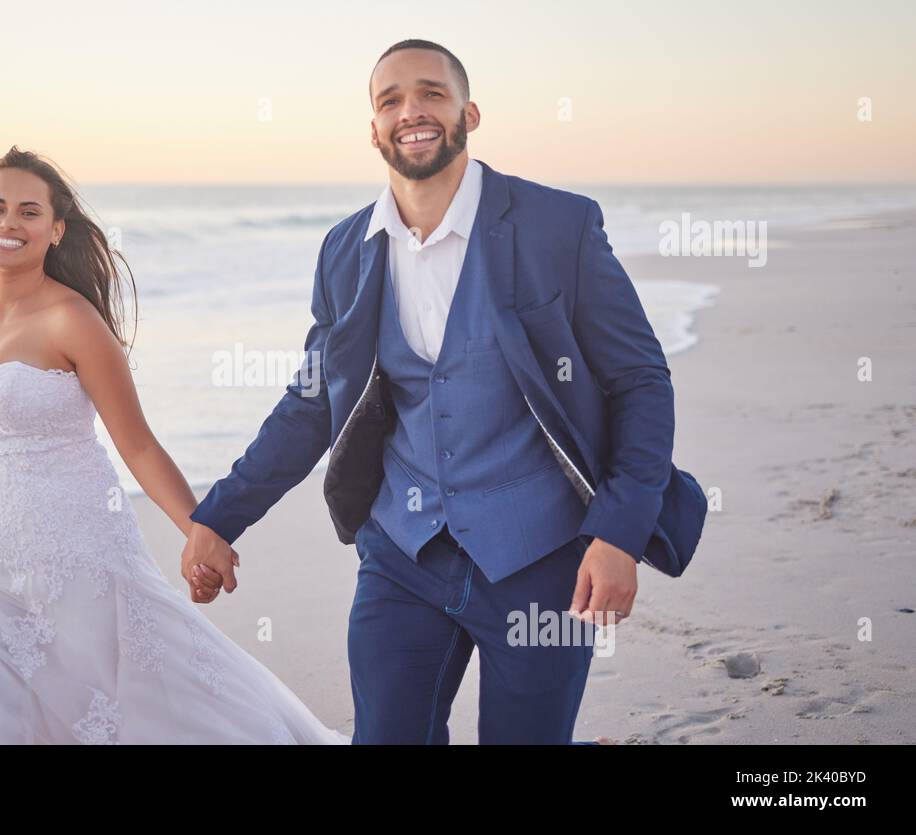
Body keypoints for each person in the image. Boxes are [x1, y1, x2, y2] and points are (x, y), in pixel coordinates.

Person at [182, 39, 704, 744]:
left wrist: (618, 532)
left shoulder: (558, 227)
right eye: (390, 100)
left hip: (543, 560)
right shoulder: (345, 251)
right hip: (403, 554)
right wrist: (220, 516)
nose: (411, 112)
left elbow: (641, 380)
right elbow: (312, 401)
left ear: (469, 112)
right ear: (373, 129)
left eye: (431, 93)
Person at [0, 145, 349, 744]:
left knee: (123, 702)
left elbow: (137, 445)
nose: (9, 224)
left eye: (29, 212)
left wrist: (200, 530)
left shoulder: (74, 322)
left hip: (73, 549)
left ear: (56, 230)